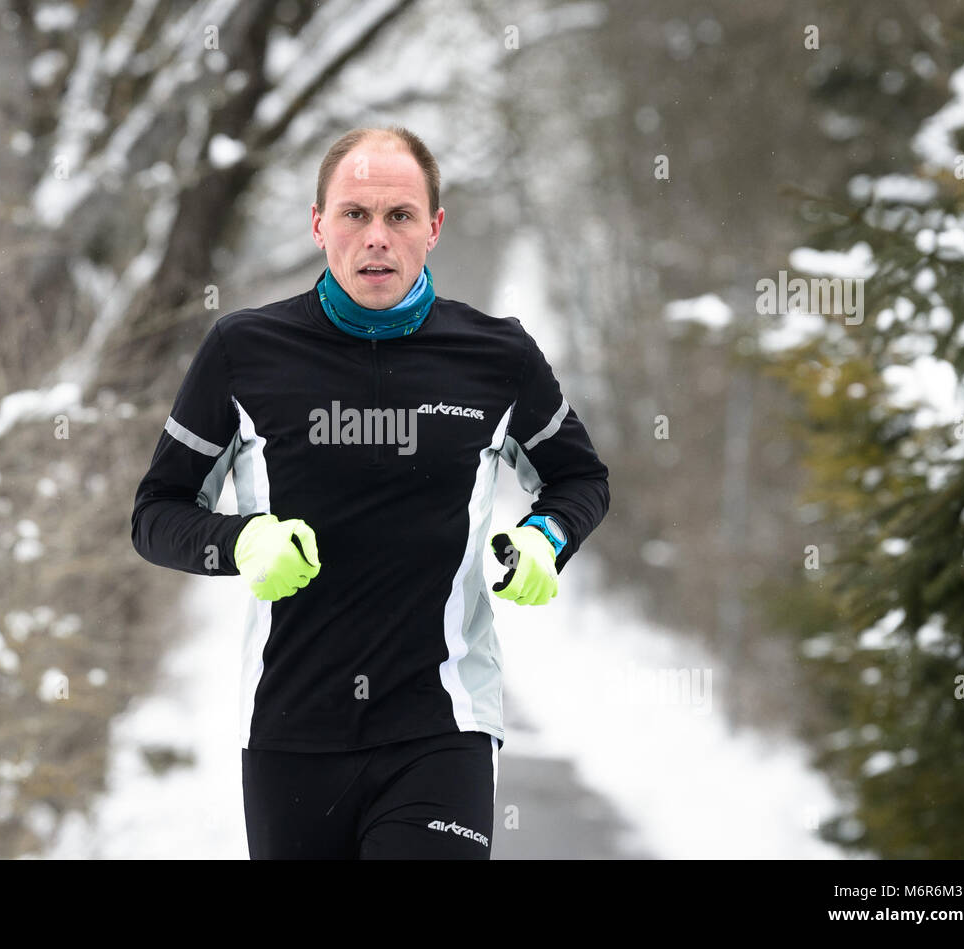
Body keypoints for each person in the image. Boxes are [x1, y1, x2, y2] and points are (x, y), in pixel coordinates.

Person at [130, 125, 610, 859]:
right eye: (354, 213)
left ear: (434, 228)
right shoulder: (243, 351)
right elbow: (155, 513)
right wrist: (240, 541)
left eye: (399, 215)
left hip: (441, 725)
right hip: (291, 730)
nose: (376, 236)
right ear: (318, 223)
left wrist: (546, 541)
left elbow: (579, 478)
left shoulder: (497, 356)